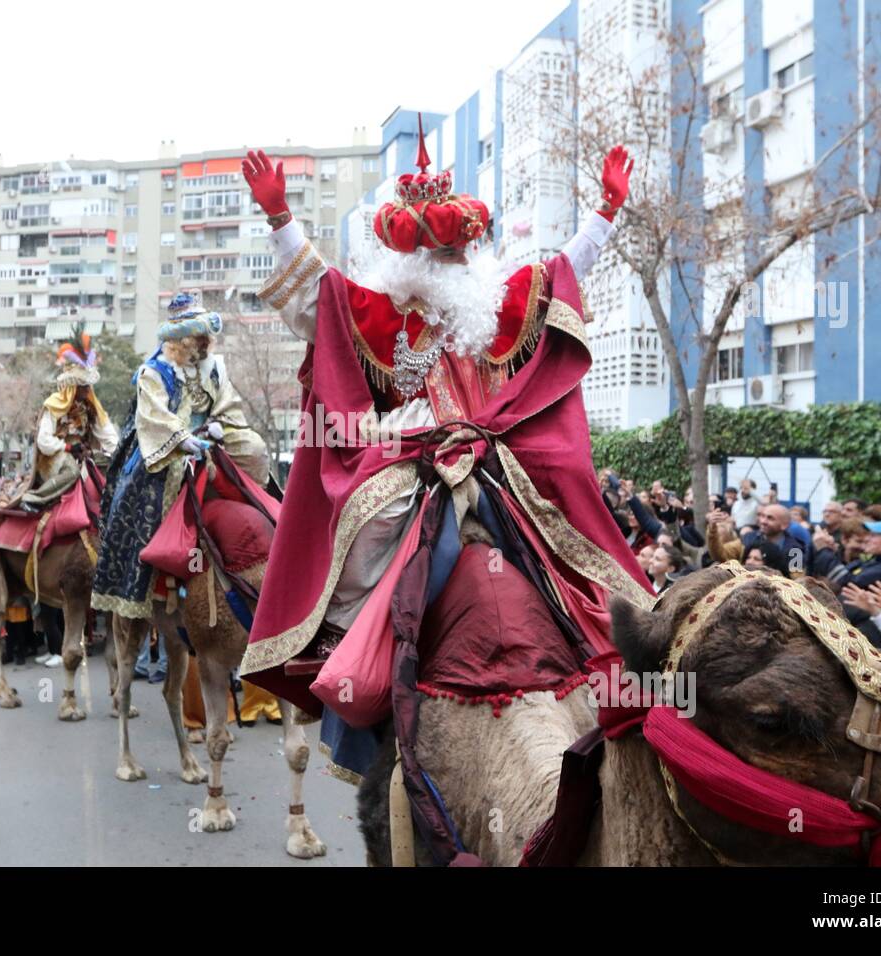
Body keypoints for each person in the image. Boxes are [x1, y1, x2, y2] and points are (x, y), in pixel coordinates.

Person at [235, 136, 653, 814]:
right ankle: (353, 654)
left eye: (463, 250)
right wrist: (282, 222)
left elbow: (560, 275)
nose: (456, 262)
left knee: (574, 523)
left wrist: (605, 212)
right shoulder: (380, 311)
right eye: (442, 252)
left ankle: (618, 660)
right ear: (411, 258)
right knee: (376, 525)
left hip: (500, 457)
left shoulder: (498, 302)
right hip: (414, 459)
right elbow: (318, 297)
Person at [92, 296, 270, 621]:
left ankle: (267, 509)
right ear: (181, 341)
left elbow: (227, 403)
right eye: (196, 337)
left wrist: (219, 425)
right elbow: (154, 416)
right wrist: (183, 439)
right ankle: (142, 576)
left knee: (255, 448)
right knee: (142, 496)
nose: (203, 343)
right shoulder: (153, 371)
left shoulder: (214, 367)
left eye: (206, 337)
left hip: (211, 436)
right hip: (168, 445)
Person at [15, 328, 120, 513]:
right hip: (55, 458)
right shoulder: (54, 405)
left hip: (82, 455)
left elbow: (109, 437)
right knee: (72, 470)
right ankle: (34, 499)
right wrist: (69, 448)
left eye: (88, 386)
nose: (87, 391)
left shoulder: (91, 408)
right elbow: (43, 441)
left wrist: (120, 455)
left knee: (109, 466)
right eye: (83, 386)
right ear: (73, 387)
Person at [741, 503, 809, 575]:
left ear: (784, 525)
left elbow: (797, 581)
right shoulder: (749, 538)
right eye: (762, 516)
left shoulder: (795, 551)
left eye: (770, 518)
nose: (763, 521)